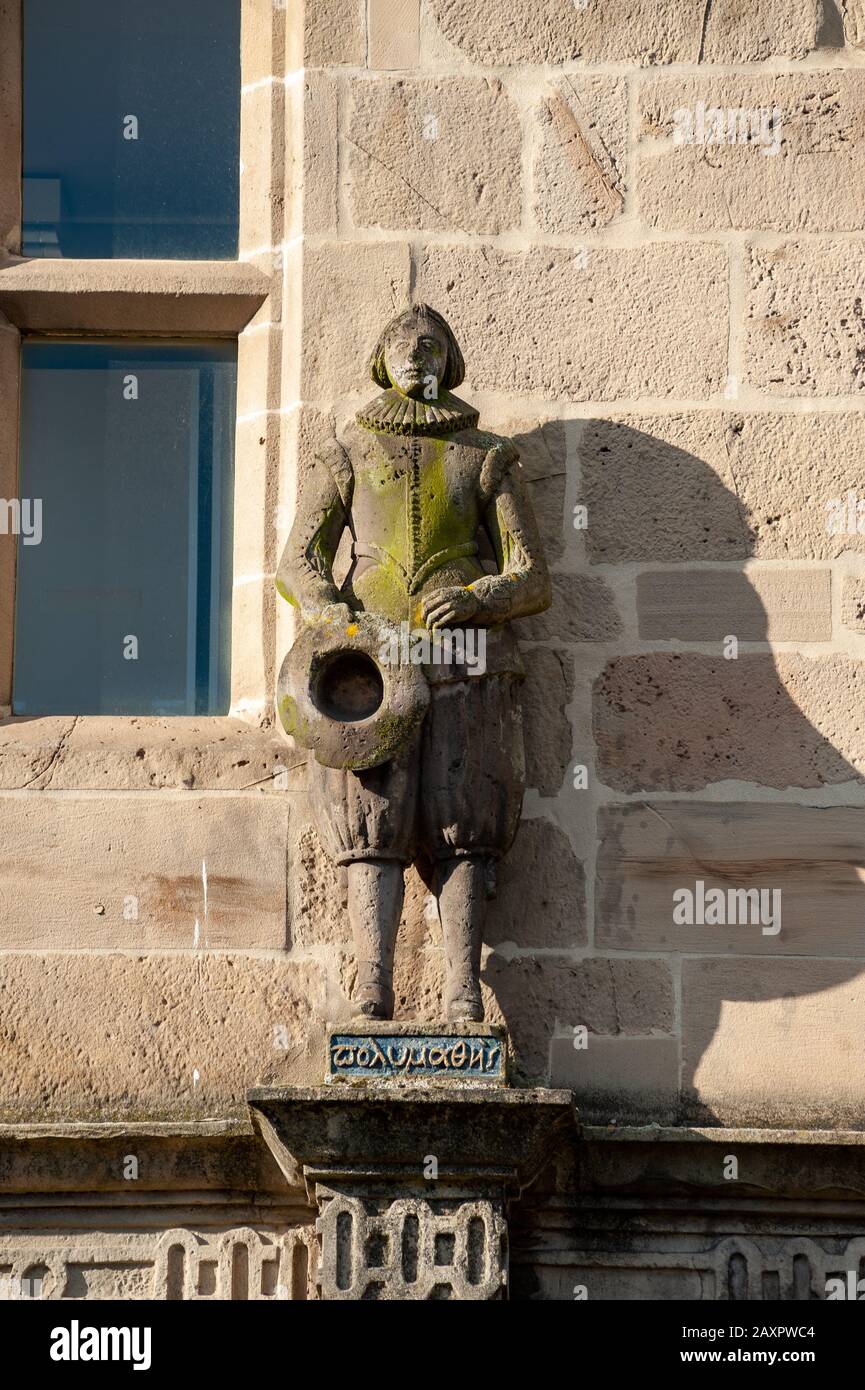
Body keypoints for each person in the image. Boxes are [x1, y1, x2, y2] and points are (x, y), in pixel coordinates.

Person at [276, 304, 551, 1021]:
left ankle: (462, 990)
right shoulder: (347, 453)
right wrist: (330, 615)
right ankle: (373, 986)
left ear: (449, 361)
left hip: (469, 659)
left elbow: (531, 576)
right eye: (402, 344)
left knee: (467, 822)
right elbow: (299, 562)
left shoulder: (485, 455)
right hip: (371, 658)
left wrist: (482, 596)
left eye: (431, 346)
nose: (416, 355)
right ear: (379, 359)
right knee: (371, 823)